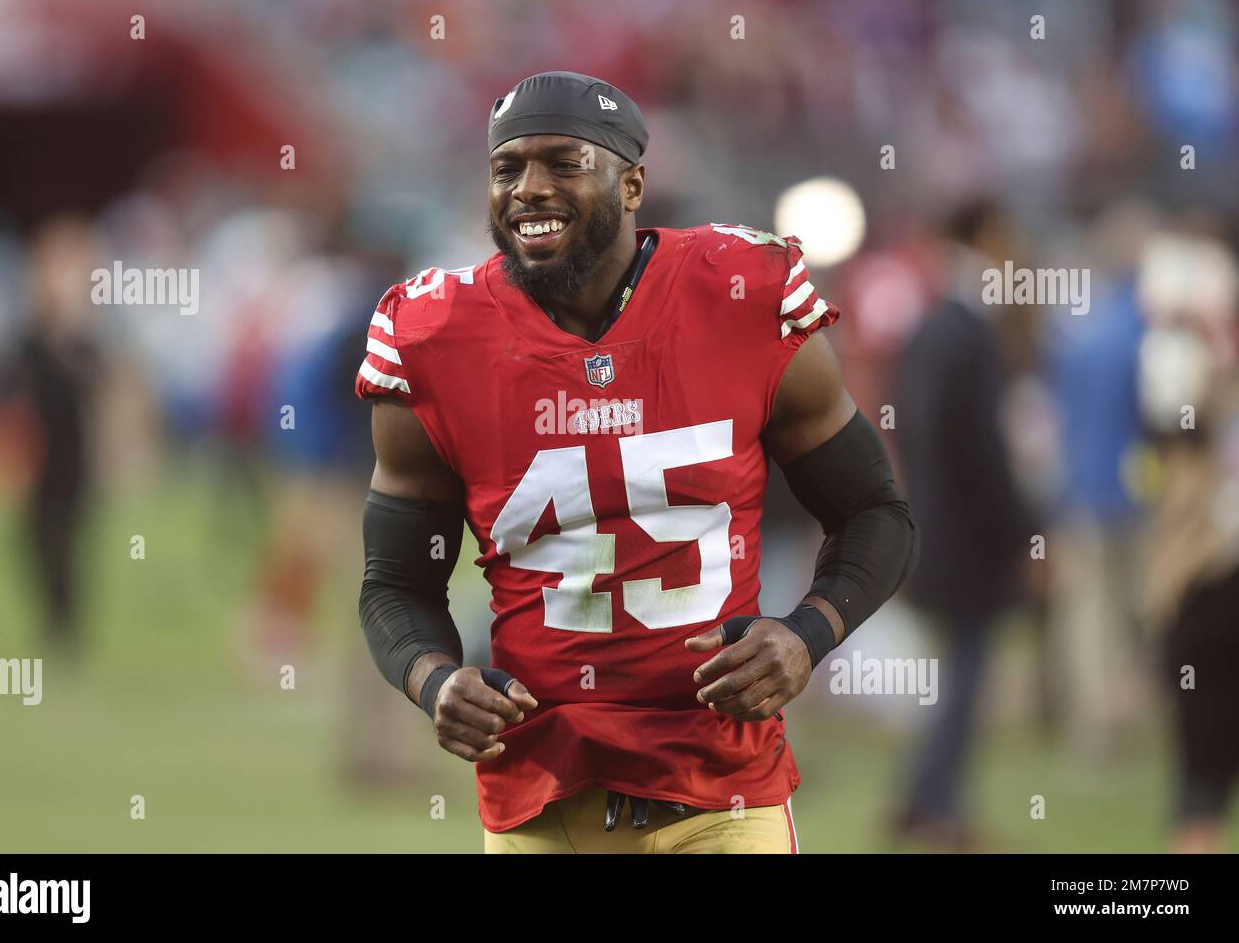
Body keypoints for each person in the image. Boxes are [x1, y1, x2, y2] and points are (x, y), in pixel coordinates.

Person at [355, 72, 916, 853]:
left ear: (632, 184)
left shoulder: (741, 294)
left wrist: (806, 633)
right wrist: (434, 680)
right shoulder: (433, 337)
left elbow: (874, 512)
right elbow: (394, 586)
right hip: (541, 805)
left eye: (563, 163)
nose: (529, 189)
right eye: (507, 168)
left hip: (724, 796)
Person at [890, 200, 1037, 848]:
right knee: (967, 679)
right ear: (987, 234)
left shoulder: (925, 328)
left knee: (957, 677)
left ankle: (922, 800)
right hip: (971, 538)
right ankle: (937, 809)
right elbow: (984, 449)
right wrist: (1025, 531)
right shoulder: (970, 330)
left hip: (931, 528)